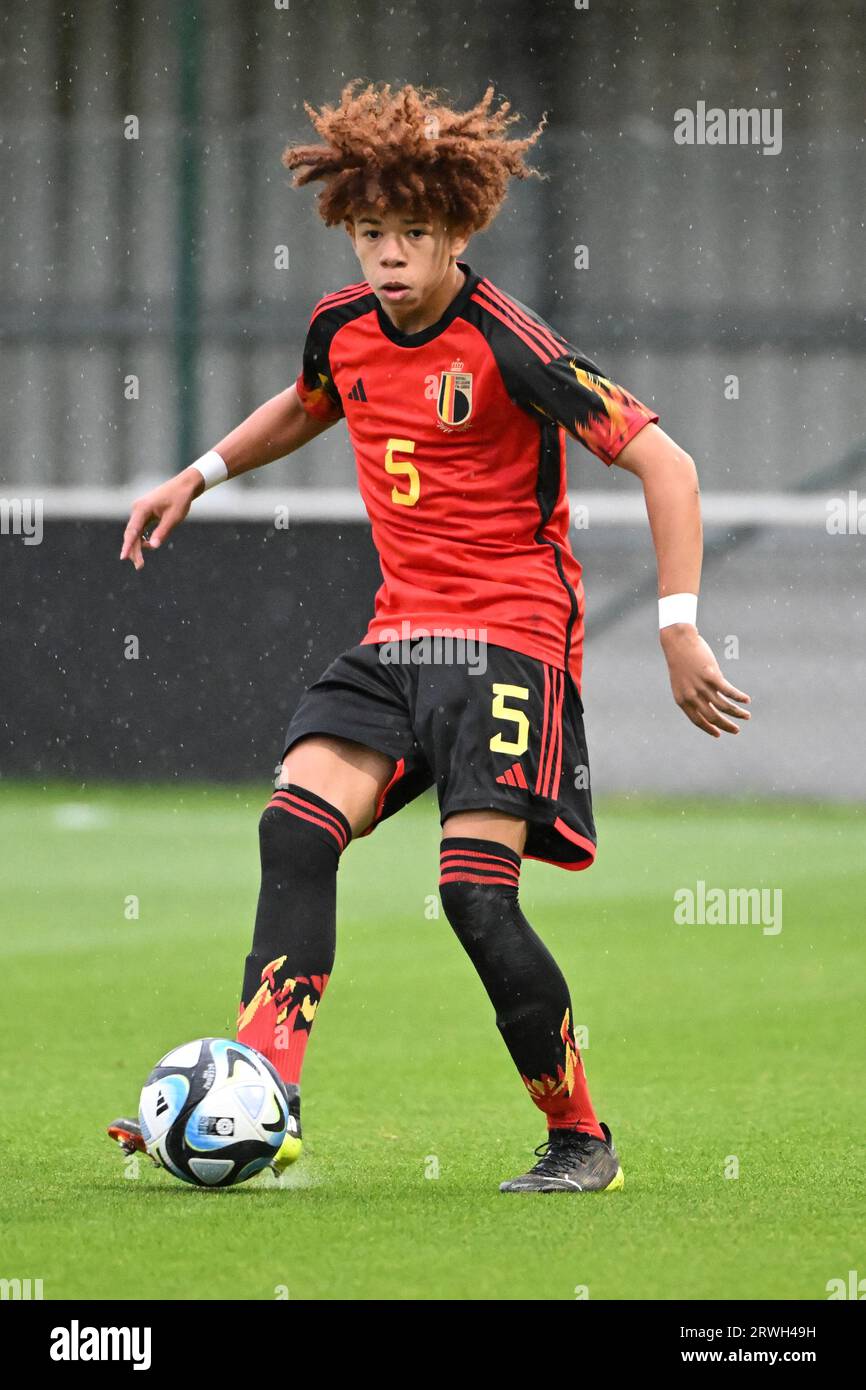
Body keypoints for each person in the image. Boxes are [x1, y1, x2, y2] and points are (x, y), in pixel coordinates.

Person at [109, 83, 750, 1193]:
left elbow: (666, 462)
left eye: (413, 234)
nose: (390, 255)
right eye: (371, 234)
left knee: (471, 895)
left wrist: (677, 628)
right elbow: (314, 401)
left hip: (508, 643)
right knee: (294, 829)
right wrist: (199, 474)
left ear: (458, 231)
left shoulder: (510, 346)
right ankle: (265, 1089)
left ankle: (577, 1137)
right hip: (396, 637)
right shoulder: (341, 327)